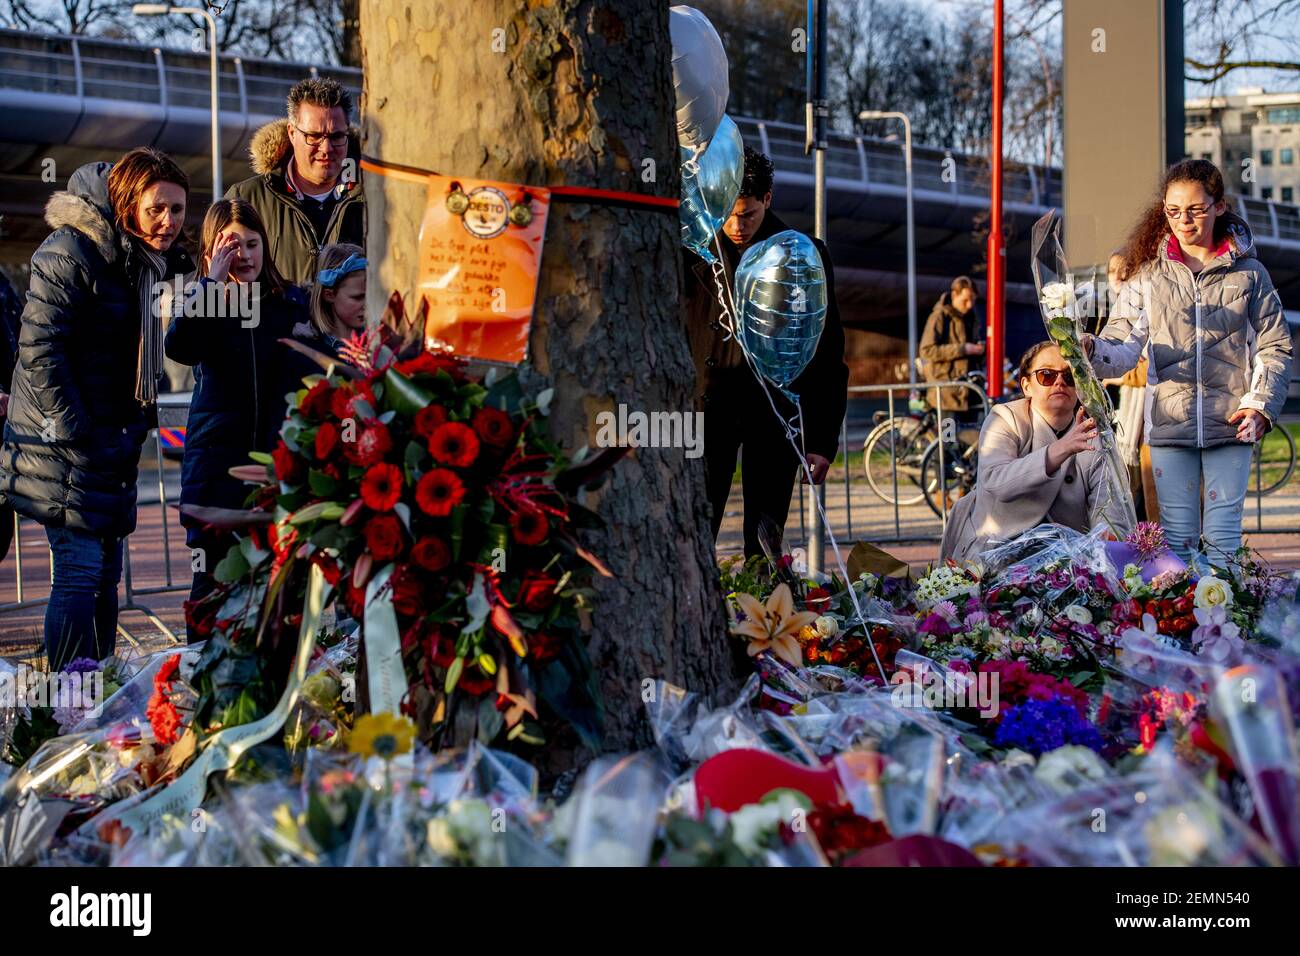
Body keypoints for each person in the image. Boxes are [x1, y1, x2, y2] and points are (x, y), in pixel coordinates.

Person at [0, 150, 193, 669]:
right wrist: (75, 429)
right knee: (81, 572)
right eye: (157, 208)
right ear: (127, 203)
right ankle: (64, 701)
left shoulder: (144, 262)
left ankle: (97, 695)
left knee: (106, 573)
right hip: (66, 445)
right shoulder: (71, 250)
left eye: (177, 210)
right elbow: (40, 348)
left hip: (113, 444)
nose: (169, 221)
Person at [1085, 159, 1293, 563]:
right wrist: (1092, 350)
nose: (1184, 220)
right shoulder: (1147, 276)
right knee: (1176, 542)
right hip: (1169, 427)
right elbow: (1121, 347)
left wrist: (1260, 406)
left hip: (1232, 425)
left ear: (1218, 206)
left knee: (1222, 539)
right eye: (1173, 211)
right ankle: (1183, 626)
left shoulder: (1250, 275)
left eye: (1196, 209)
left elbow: (1275, 346)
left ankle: (1223, 625)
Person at [165, 199, 319, 641]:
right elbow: (180, 347)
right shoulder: (204, 301)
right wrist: (212, 283)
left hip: (277, 468)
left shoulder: (290, 303)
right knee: (211, 588)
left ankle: (273, 694)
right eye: (231, 245)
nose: (245, 255)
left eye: (252, 244)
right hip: (217, 469)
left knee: (278, 589)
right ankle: (204, 688)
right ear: (212, 251)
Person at [685, 146, 848, 558]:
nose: (737, 226)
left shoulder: (804, 254)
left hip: (774, 414)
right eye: (729, 213)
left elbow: (827, 350)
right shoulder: (691, 249)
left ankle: (763, 615)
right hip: (705, 409)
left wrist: (822, 439)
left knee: (766, 538)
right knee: (694, 529)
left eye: (749, 214)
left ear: (768, 200)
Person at [941, 341, 1122, 565]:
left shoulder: (1092, 435)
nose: (1059, 382)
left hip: (1068, 562)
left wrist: (1105, 542)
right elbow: (996, 483)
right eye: (1046, 375)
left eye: (1069, 376)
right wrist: (1061, 448)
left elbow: (1112, 516)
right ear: (1026, 386)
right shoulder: (1005, 418)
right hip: (995, 552)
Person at [226, 76, 364, 288]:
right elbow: (218, 282)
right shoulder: (245, 199)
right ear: (292, 132)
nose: (326, 148)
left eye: (336, 136)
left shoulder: (374, 198)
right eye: (314, 136)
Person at [919, 276, 984, 417]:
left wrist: (980, 350)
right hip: (946, 392)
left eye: (973, 300)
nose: (970, 305)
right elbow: (926, 351)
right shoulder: (939, 316)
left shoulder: (972, 318)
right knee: (949, 437)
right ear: (954, 295)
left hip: (969, 391)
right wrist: (963, 349)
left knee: (970, 437)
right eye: (965, 300)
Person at [309, 242, 367, 352]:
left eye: (370, 296)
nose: (367, 305)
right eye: (358, 297)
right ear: (329, 295)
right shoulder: (312, 348)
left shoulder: (381, 343)